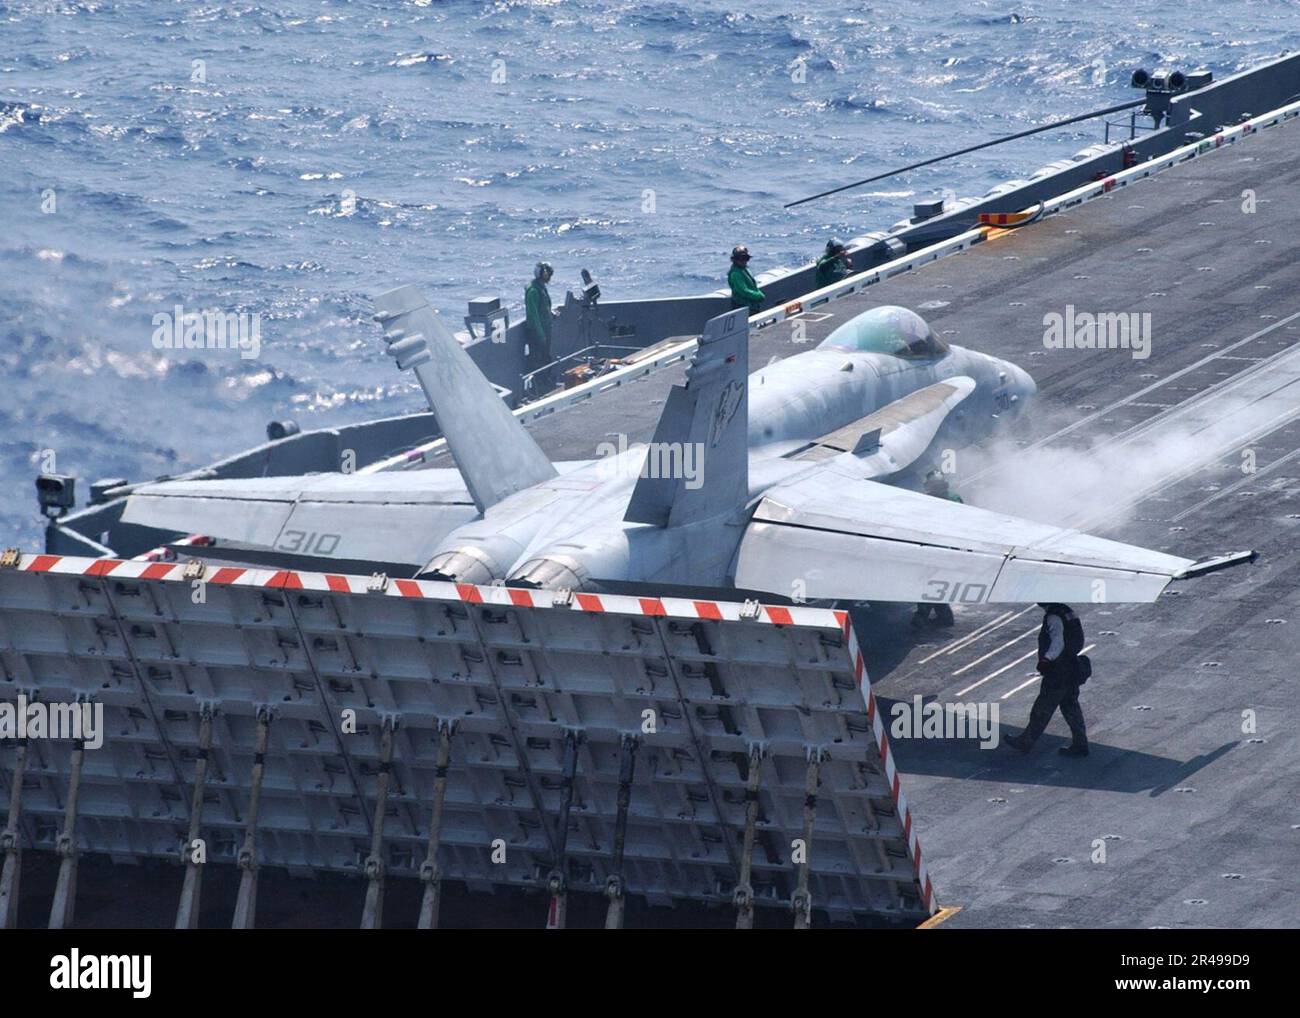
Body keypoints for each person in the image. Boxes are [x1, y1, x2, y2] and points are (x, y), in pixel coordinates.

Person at [1005, 603, 1089, 756]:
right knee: (1071, 707)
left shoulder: (1053, 617)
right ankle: (1081, 744)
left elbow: (1057, 642)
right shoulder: (1067, 611)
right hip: (1071, 667)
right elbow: (1078, 638)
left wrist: (1046, 659)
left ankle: (1026, 742)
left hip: (1058, 671)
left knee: (1042, 708)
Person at [912, 472, 963, 627]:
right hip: (932, 548)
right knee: (931, 583)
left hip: (942, 549)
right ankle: (937, 615)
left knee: (930, 583)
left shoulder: (951, 500)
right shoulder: (930, 500)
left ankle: (928, 615)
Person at [524, 261, 555, 393]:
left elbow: (544, 307)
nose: (549, 277)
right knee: (538, 360)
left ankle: (545, 382)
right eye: (548, 274)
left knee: (546, 357)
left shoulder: (540, 287)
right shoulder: (533, 291)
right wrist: (541, 334)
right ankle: (540, 386)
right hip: (537, 332)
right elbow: (534, 315)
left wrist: (551, 313)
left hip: (544, 329)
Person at [727, 245, 765, 314]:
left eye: (746, 258)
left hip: (752, 306)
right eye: (740, 259)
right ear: (735, 259)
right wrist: (758, 295)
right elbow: (743, 291)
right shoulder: (736, 274)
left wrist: (758, 292)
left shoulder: (744, 270)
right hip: (743, 308)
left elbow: (752, 286)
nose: (743, 261)